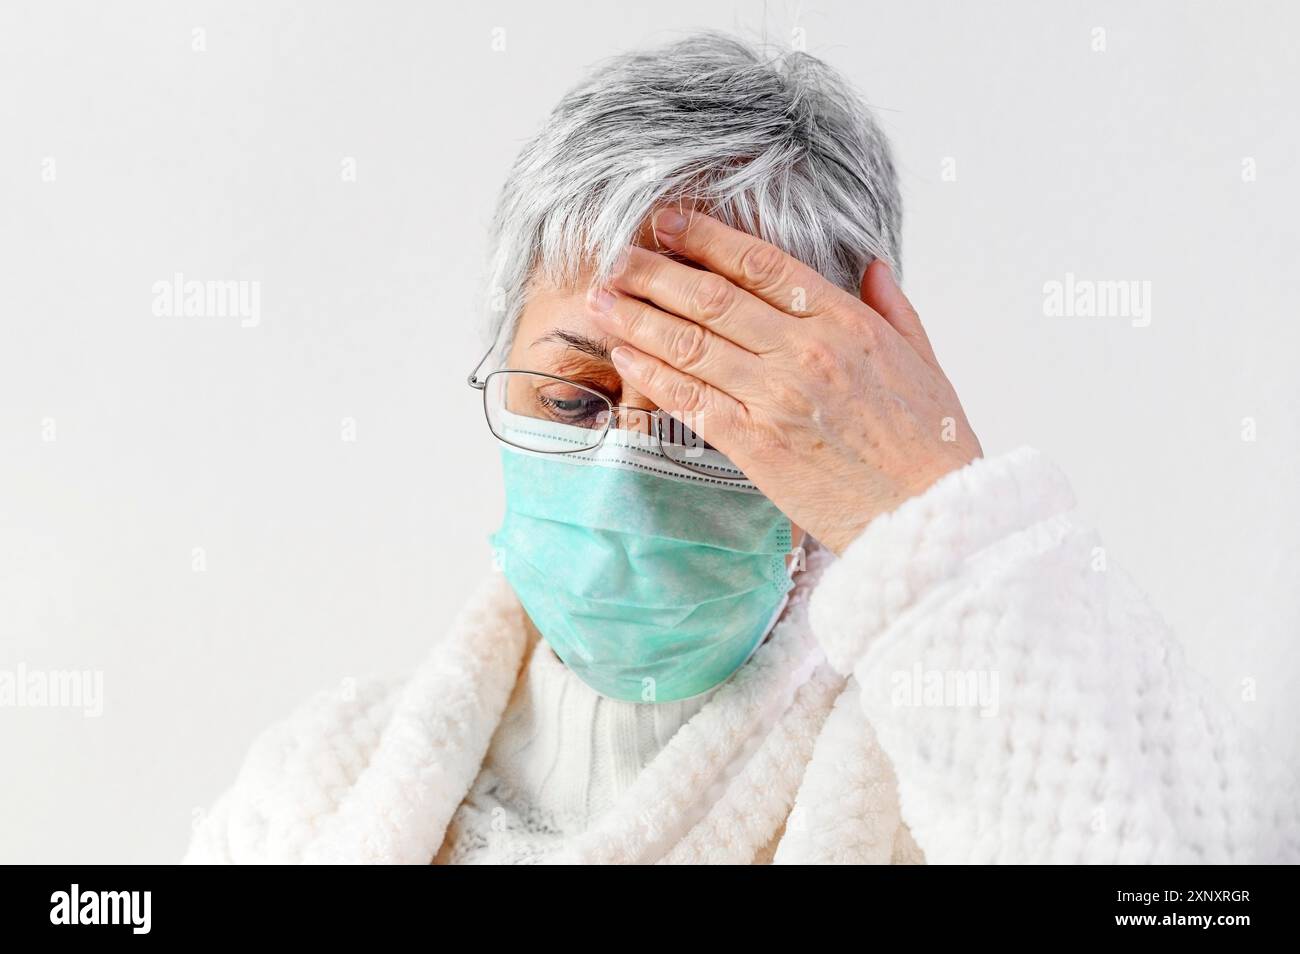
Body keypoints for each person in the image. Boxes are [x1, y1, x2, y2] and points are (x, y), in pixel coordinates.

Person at [184, 31, 1297, 864]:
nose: (622, 472)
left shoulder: (955, 782)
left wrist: (927, 503)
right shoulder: (314, 791)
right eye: (575, 401)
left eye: (705, 410)